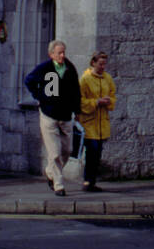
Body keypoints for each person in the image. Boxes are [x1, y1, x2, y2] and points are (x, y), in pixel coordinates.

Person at [25, 39, 81, 196]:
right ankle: (58, 184)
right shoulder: (44, 68)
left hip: (66, 115)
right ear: (51, 54)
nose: (62, 55)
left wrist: (77, 111)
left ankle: (50, 172)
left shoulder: (70, 68)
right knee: (55, 152)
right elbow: (28, 81)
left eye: (63, 52)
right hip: (49, 115)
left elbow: (76, 90)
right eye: (59, 53)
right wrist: (39, 97)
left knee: (67, 150)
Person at [78, 50, 117, 192]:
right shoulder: (85, 79)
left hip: (102, 122)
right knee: (92, 151)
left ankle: (92, 181)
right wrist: (96, 102)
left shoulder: (107, 78)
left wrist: (108, 101)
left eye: (104, 64)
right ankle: (87, 181)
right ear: (93, 63)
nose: (102, 67)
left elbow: (113, 95)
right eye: (100, 64)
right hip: (90, 121)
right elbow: (80, 101)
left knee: (98, 152)